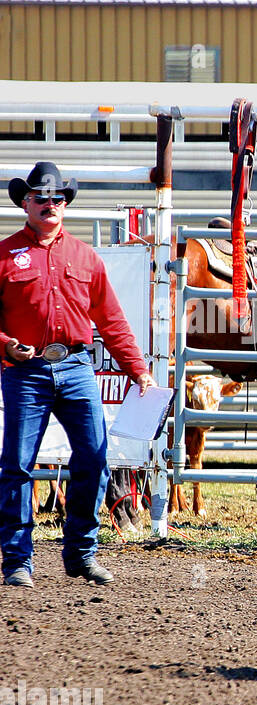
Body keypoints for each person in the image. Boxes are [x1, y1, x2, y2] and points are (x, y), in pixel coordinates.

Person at [1, 161, 156, 588]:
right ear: (25, 204)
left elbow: (112, 322)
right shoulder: (3, 255)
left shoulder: (86, 258)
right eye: (40, 198)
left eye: (56, 198)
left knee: (93, 456)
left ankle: (81, 553)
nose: (49, 204)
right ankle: (17, 560)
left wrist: (137, 369)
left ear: (64, 203)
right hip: (24, 369)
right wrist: (5, 344)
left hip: (75, 365)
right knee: (16, 465)